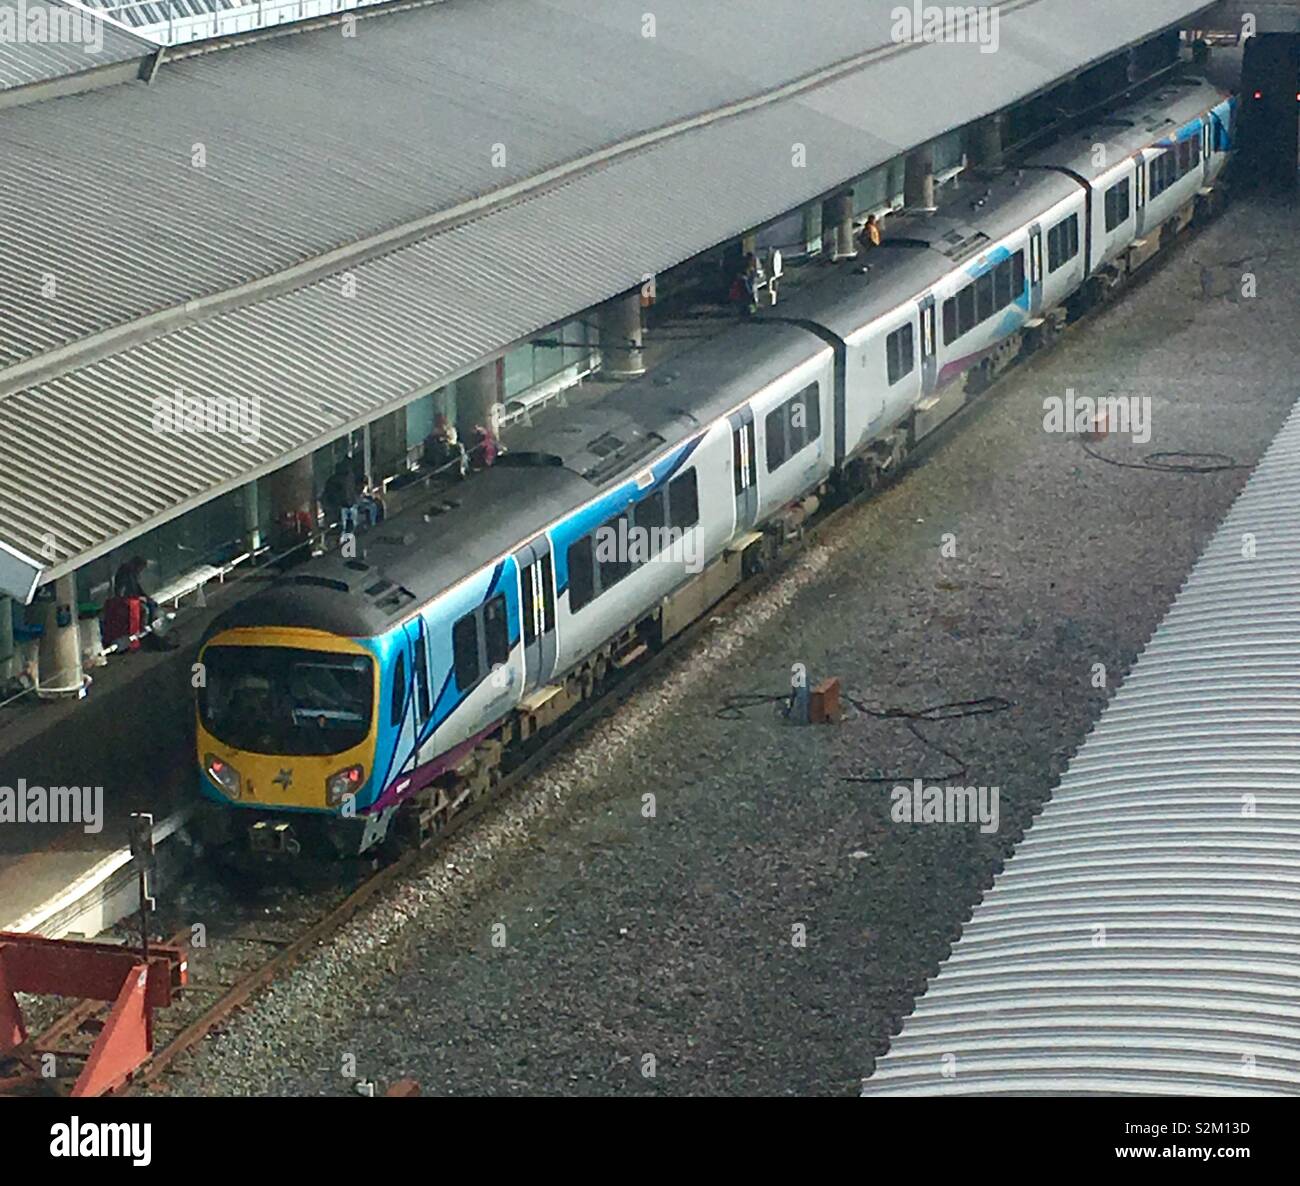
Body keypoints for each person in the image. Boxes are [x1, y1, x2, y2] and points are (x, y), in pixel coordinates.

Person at [112, 556, 176, 650]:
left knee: (152, 604)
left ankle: (155, 631)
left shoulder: (132, 573)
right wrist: (139, 598)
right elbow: (124, 591)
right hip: (127, 600)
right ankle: (151, 633)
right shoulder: (126, 573)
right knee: (147, 609)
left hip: (133, 597)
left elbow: (137, 588)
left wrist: (146, 597)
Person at [322, 458, 360, 538]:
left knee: (351, 524)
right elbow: (332, 494)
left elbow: (351, 490)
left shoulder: (350, 477)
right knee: (345, 526)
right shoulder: (335, 480)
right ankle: (346, 541)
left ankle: (351, 537)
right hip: (343, 506)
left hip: (350, 504)